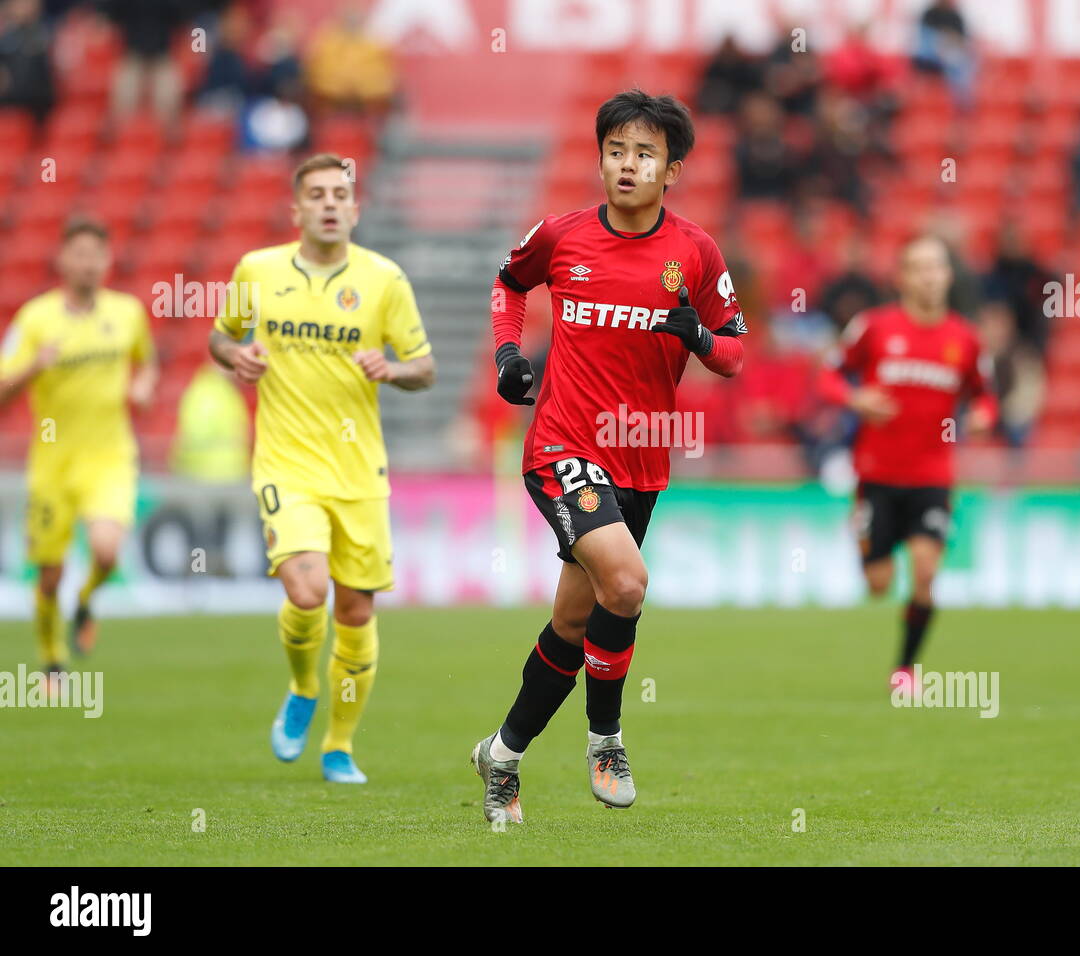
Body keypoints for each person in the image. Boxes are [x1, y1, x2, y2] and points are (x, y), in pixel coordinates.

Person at [474, 90, 746, 824]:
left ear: (673, 170)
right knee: (625, 585)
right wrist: (507, 354)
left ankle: (501, 754)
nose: (627, 165)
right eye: (616, 151)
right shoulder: (561, 236)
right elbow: (508, 284)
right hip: (563, 445)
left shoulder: (694, 252)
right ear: (601, 159)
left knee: (573, 624)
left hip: (641, 462)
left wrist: (699, 339)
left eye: (644, 153)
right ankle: (607, 739)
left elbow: (734, 354)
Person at [207, 153, 435, 784]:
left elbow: (425, 366)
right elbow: (220, 336)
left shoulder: (385, 279)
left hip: (360, 473)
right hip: (286, 465)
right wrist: (236, 356)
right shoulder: (258, 269)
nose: (331, 203)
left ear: (355, 209)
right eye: (318, 194)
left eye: (341, 193)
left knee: (356, 612)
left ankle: (338, 746)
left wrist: (392, 369)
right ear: (298, 209)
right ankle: (304, 686)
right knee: (307, 590)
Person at [820, 235, 995, 690]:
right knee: (878, 584)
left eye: (936, 267)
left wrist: (982, 416)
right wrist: (855, 398)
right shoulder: (874, 328)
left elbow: (986, 396)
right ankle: (866, 535)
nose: (928, 276)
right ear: (901, 277)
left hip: (931, 477)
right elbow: (829, 375)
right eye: (918, 267)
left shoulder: (966, 340)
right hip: (876, 475)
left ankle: (905, 670)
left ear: (948, 275)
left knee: (925, 572)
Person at [0, 218, 157, 682]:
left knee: (107, 552)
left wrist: (144, 387)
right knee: (48, 575)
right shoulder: (34, 319)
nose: (89, 264)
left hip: (109, 458)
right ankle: (52, 662)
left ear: (108, 261)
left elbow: (145, 363)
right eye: (80, 254)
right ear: (63, 260)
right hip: (51, 464)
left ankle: (86, 599)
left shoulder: (127, 312)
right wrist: (32, 367)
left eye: (97, 255)